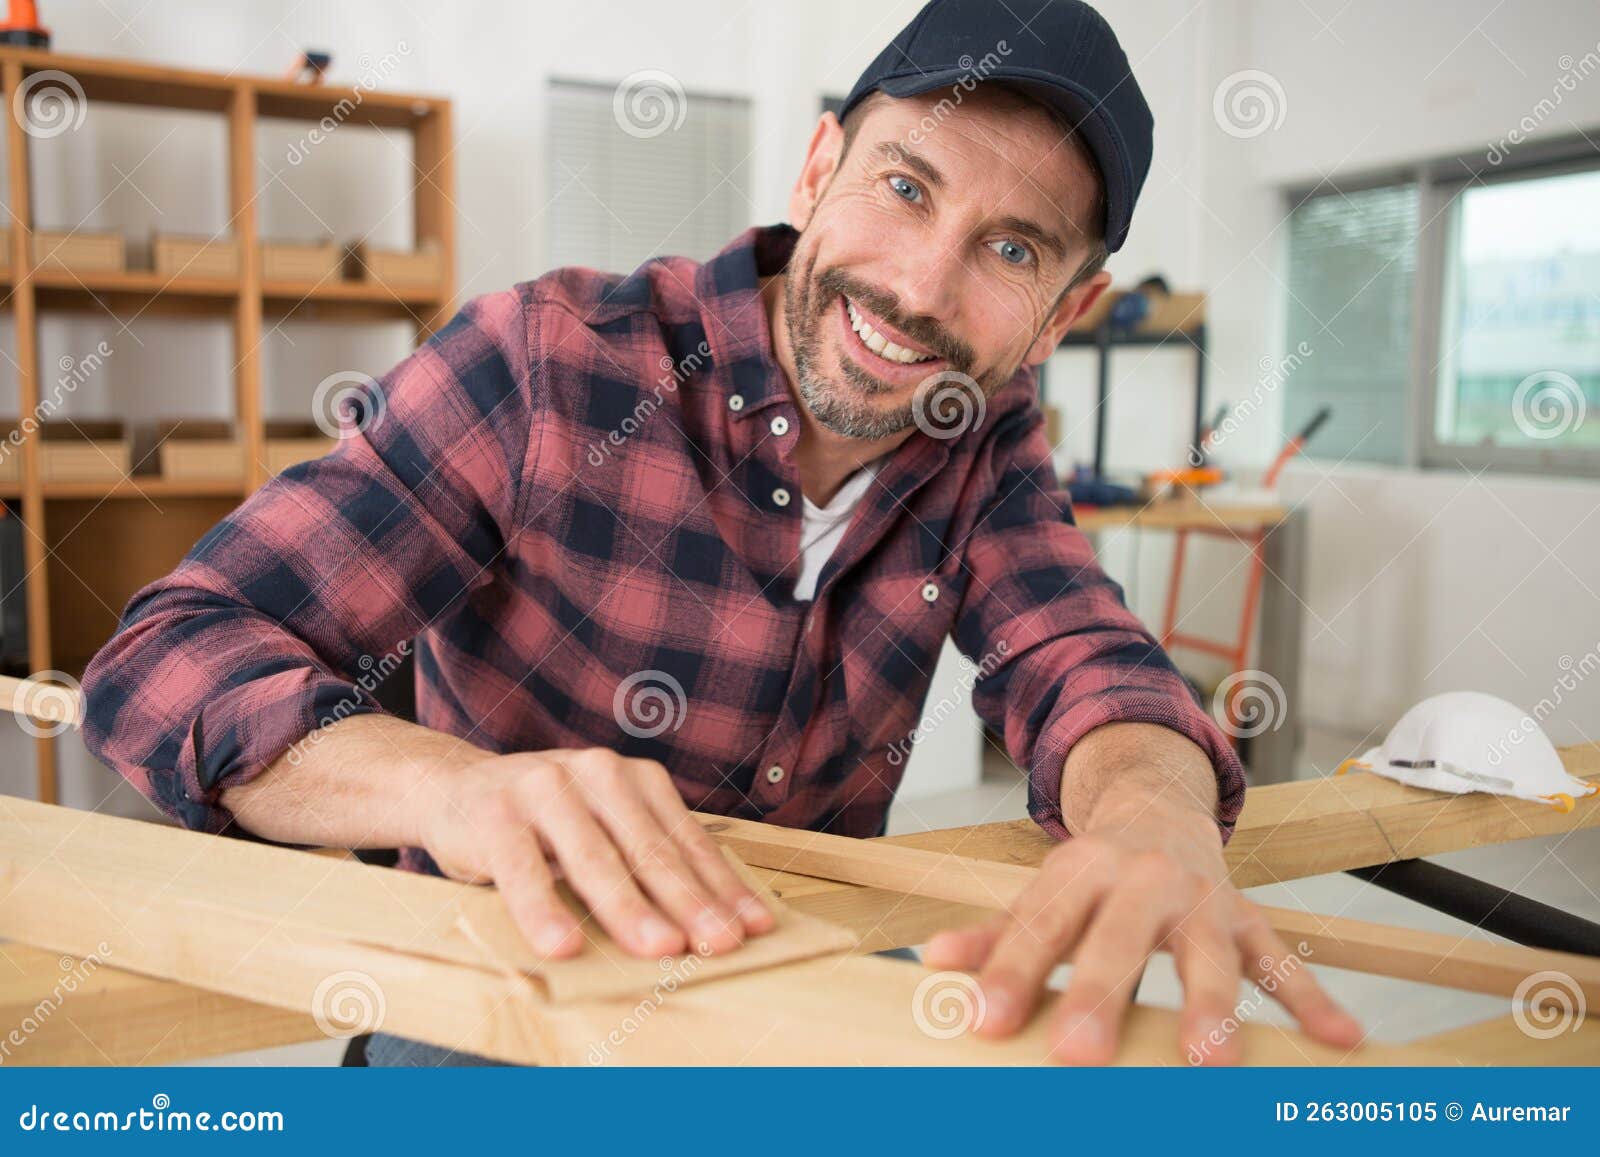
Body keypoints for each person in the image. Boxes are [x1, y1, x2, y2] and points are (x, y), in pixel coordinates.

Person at [82, 0, 1363, 1065]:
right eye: (904, 186)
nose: (918, 287)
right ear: (817, 170)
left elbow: (1084, 658)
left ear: (1062, 312)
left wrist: (1155, 813)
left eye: (1008, 248)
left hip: (789, 967)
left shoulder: (982, 431)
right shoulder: (542, 364)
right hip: (500, 991)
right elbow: (166, 656)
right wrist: (452, 787)